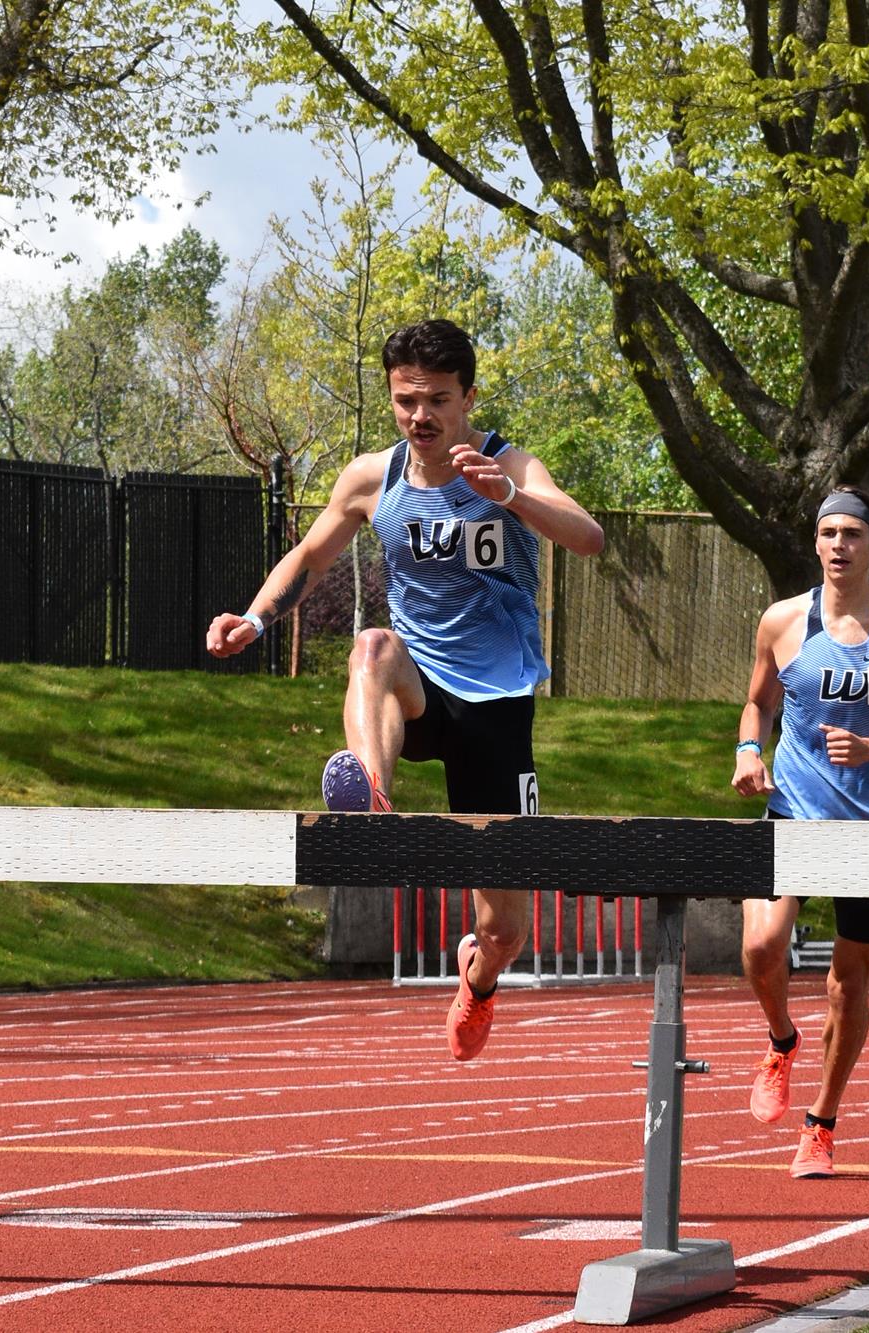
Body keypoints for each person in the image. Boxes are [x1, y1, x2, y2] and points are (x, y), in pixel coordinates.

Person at [207, 318, 604, 1060]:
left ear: (468, 397)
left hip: (496, 706)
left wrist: (512, 494)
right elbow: (312, 554)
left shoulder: (509, 462)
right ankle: (375, 807)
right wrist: (255, 621)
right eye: (405, 400)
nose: (420, 416)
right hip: (417, 688)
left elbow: (589, 536)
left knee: (504, 928)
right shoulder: (372, 478)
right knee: (373, 644)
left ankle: (479, 983)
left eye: (437, 401)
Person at [730, 486, 869, 1178]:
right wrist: (747, 750)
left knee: (846, 981)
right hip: (794, 811)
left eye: (853, 533)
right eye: (828, 533)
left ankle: (820, 1123)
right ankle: (780, 1039)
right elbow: (756, 703)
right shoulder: (782, 620)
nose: (838, 545)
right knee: (763, 946)